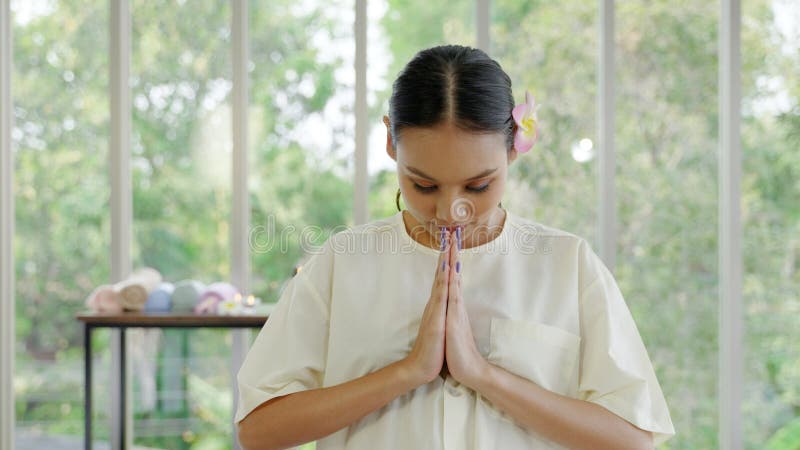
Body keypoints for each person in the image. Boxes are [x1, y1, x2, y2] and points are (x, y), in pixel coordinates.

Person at [235, 44, 675, 450]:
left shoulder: (568, 264)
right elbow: (257, 429)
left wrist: (481, 375)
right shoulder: (340, 263)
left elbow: (632, 437)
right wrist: (408, 372)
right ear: (390, 141)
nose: (452, 210)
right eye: (423, 184)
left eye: (478, 185)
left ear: (514, 149)